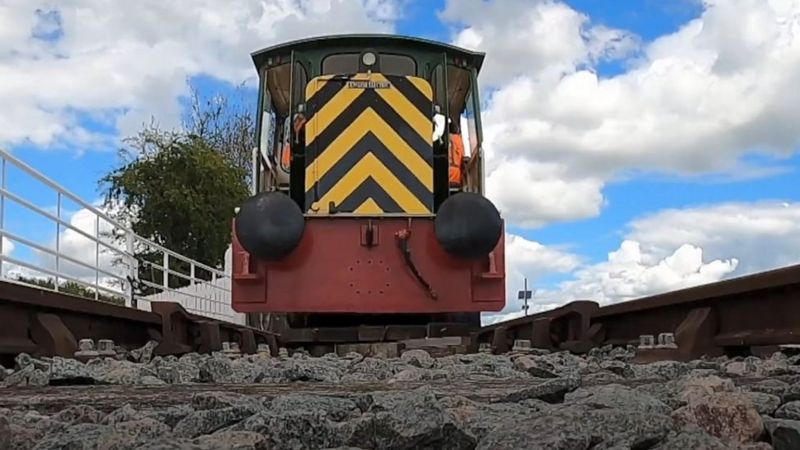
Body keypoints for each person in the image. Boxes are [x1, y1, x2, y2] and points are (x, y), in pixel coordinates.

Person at [448, 119, 464, 187]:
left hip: (446, 174)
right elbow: (462, 155)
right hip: (456, 175)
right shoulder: (458, 140)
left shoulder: (446, 139)